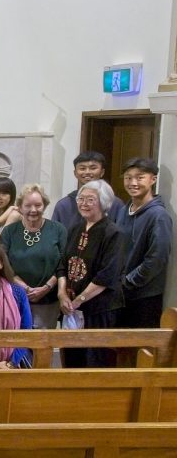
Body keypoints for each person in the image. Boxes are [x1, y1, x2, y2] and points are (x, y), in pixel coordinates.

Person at [58, 180, 125, 367]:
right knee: (71, 358)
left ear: (103, 203)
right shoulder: (75, 229)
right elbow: (62, 264)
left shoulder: (113, 233)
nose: (83, 204)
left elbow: (107, 275)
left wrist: (79, 300)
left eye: (90, 200)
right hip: (71, 308)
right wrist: (61, 293)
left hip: (99, 309)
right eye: (81, 199)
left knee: (94, 360)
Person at [0, 184, 66, 330]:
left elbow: (64, 263)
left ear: (45, 205)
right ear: (20, 207)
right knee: (16, 345)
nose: (33, 210)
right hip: (15, 297)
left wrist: (47, 287)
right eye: (28, 205)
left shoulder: (58, 230)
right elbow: (3, 263)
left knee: (42, 346)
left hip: (48, 300)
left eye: (38, 205)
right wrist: (24, 287)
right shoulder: (9, 232)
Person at [116, 157, 172, 329]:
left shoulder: (158, 215)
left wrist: (128, 282)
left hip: (144, 298)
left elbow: (156, 259)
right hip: (120, 295)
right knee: (117, 350)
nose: (133, 182)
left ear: (152, 179)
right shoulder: (123, 210)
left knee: (139, 351)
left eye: (139, 177)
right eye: (128, 177)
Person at [52, 151, 125, 229]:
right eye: (82, 168)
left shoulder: (116, 204)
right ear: (75, 173)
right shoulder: (63, 205)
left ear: (102, 172)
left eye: (93, 168)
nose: (87, 172)